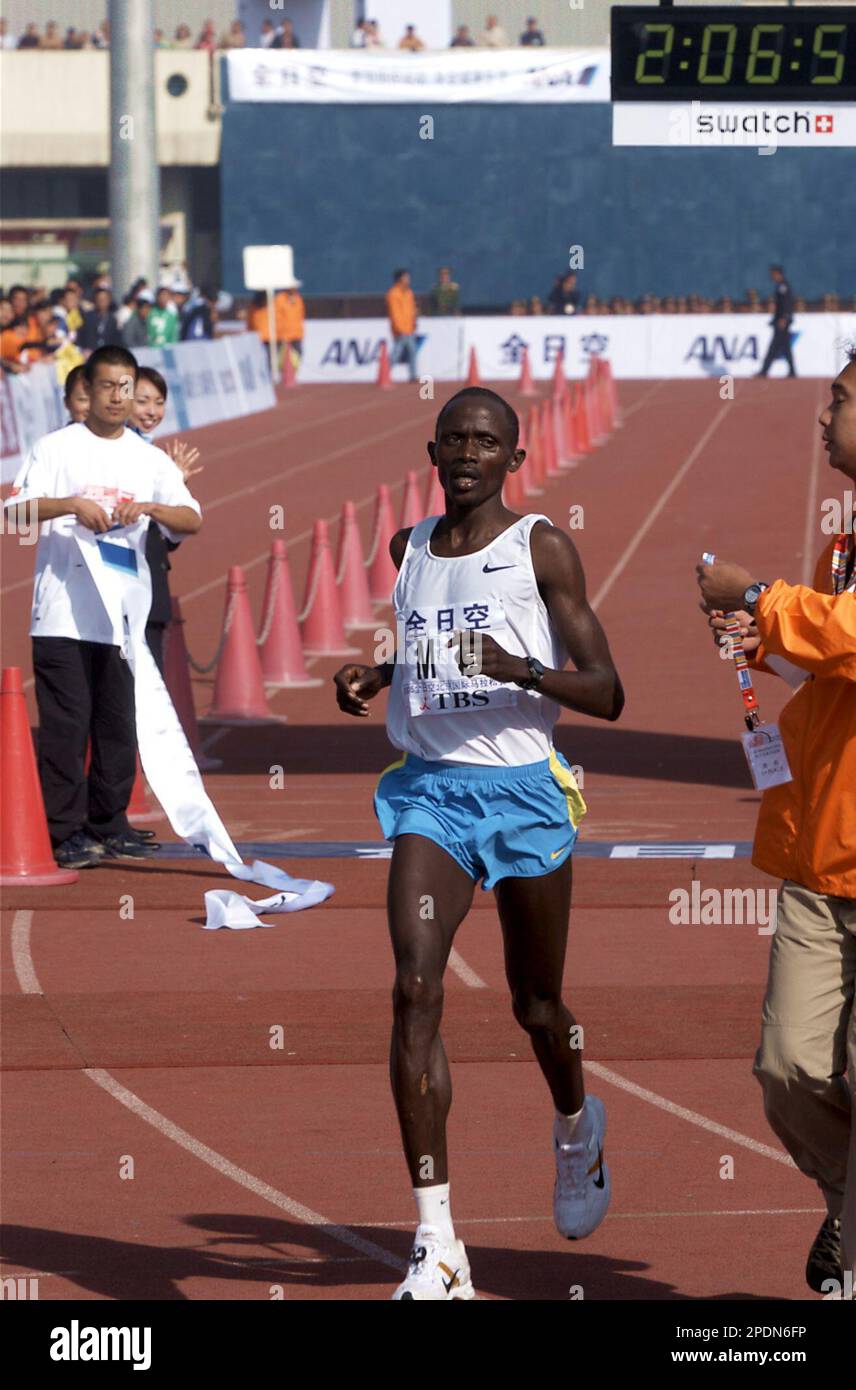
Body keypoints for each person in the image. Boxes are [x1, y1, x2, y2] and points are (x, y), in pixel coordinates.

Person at [333, 387, 624, 1299]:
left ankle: (577, 1126)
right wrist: (376, 673)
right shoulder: (407, 548)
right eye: (454, 439)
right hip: (431, 798)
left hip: (524, 793)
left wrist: (521, 670)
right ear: (431, 449)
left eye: (486, 441)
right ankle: (440, 1244)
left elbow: (609, 691)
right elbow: (429, 649)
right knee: (413, 988)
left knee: (537, 1005)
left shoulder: (541, 547)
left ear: (513, 458)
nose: (468, 453)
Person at [697, 346, 856, 1300]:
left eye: (838, 399)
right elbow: (828, 654)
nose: (823, 416)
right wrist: (758, 638)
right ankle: (845, 1198)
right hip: (824, 851)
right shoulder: (846, 539)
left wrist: (762, 598)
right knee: (788, 1067)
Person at [3, 345, 201, 870]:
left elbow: (191, 519)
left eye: (127, 386)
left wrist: (152, 508)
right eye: (109, 386)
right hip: (62, 613)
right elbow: (13, 513)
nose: (119, 397)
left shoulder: (147, 458)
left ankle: (109, 822)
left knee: (117, 721)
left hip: (123, 618)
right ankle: (64, 830)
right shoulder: (56, 449)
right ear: (86, 392)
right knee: (68, 725)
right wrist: (70, 505)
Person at [128, 367, 203, 676]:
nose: (152, 411)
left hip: (151, 591)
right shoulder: (111, 455)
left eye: (159, 402)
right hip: (120, 595)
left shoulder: (155, 459)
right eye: (143, 401)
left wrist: (174, 486)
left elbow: (171, 536)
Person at [758, 265, 796, 378]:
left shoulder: (783, 287)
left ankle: (764, 371)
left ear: (778, 274)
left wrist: (784, 318)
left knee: (773, 347)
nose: (772, 277)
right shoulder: (781, 286)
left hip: (782, 321)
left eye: (773, 274)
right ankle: (792, 371)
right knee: (786, 348)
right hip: (780, 320)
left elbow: (786, 304)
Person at [386, 269, 419, 382]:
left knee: (412, 351)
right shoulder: (393, 293)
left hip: (409, 328)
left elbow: (412, 308)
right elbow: (394, 313)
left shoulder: (409, 293)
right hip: (400, 329)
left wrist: (414, 321)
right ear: (400, 279)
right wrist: (399, 328)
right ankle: (385, 373)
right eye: (406, 277)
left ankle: (413, 375)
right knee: (396, 353)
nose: (408, 280)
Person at [77, 286, 122, 353]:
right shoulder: (87, 317)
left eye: (104, 299)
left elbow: (116, 341)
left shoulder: (112, 320)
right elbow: (80, 337)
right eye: (99, 299)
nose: (102, 301)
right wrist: (84, 350)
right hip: (90, 354)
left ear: (109, 300)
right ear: (95, 300)